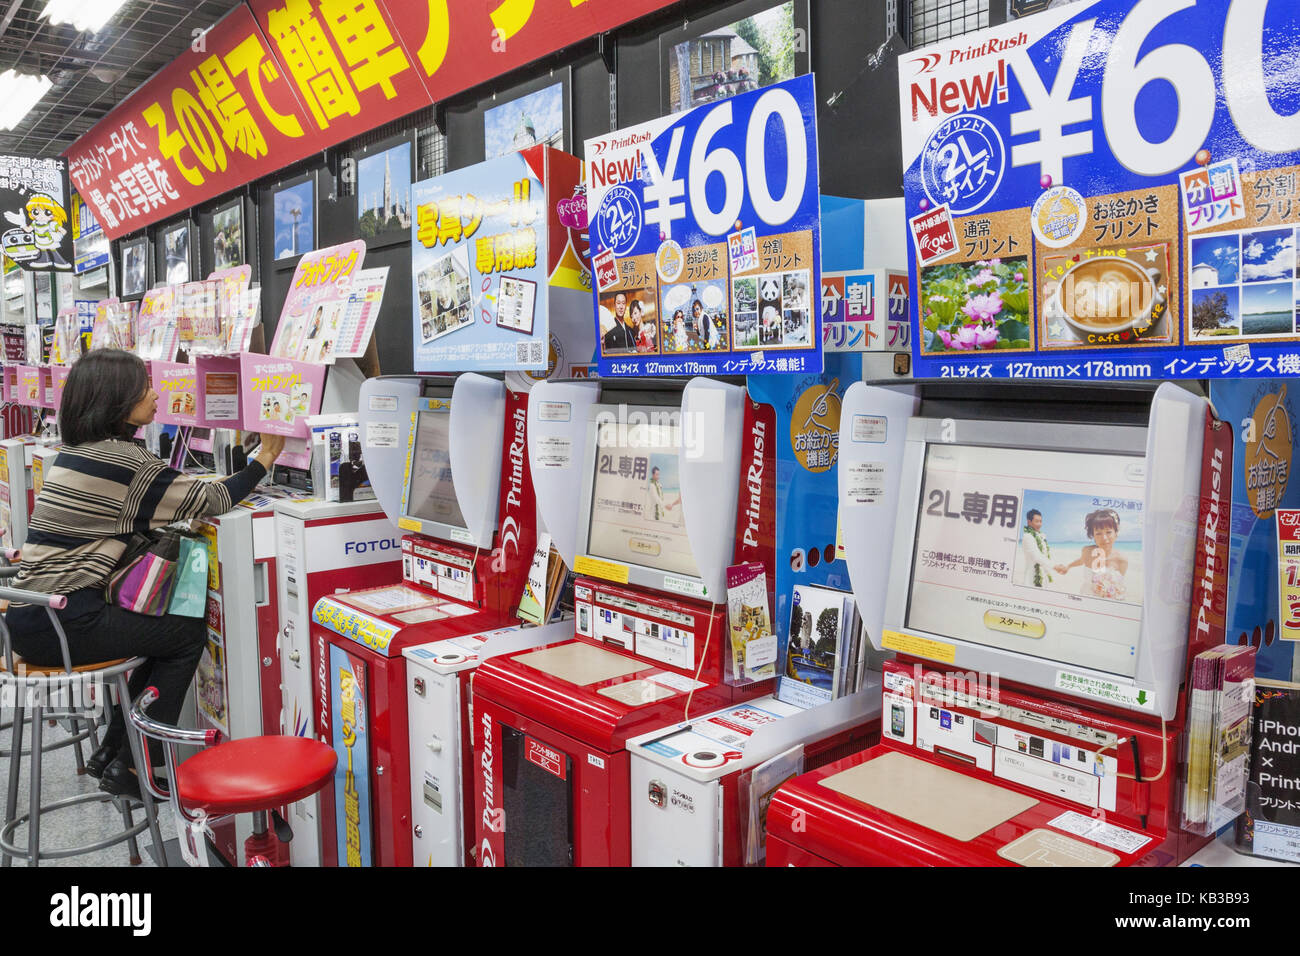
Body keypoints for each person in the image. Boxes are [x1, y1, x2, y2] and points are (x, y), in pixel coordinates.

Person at [4, 350, 286, 802]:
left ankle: (114, 749)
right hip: (62, 620)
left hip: (30, 617)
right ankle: (140, 764)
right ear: (117, 400)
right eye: (144, 387)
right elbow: (213, 500)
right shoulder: (126, 460)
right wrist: (265, 457)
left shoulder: (78, 452)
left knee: (157, 634)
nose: (156, 395)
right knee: (183, 636)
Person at [1055, 507, 1128, 600]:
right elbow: (1082, 560)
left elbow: (1119, 586)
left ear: (1116, 533)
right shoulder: (1087, 551)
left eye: (1108, 532)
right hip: (1086, 596)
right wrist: (1068, 566)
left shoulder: (1122, 561)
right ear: (1092, 535)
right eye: (1098, 533)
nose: (1104, 538)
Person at [1016, 509, 1054, 588]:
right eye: (1037, 521)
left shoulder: (1042, 536)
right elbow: (1036, 556)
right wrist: (1055, 566)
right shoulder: (1028, 537)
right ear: (1029, 522)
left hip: (1044, 576)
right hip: (1032, 577)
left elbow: (1045, 555)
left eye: (1041, 521)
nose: (1039, 524)